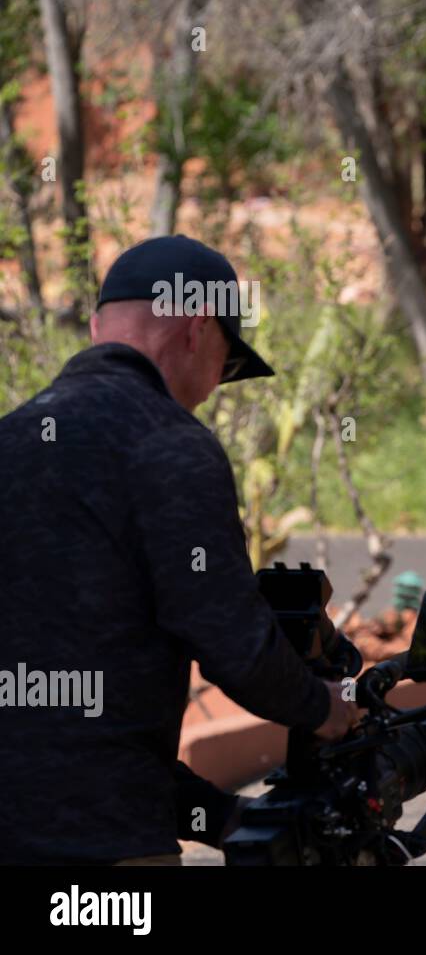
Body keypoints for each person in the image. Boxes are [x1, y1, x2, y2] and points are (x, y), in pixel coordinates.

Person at [0, 235, 358, 865]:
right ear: (196, 332)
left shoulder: (13, 439)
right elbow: (234, 646)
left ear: (96, 328)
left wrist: (219, 816)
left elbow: (67, 708)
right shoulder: (169, 444)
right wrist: (324, 709)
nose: (218, 385)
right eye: (227, 361)